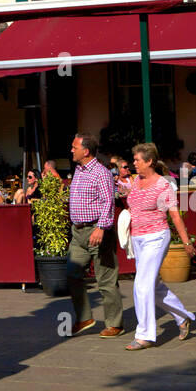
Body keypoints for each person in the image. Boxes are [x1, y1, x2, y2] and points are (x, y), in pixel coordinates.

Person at [125, 142, 196, 350]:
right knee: (153, 285)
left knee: (142, 285)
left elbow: (174, 215)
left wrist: (186, 242)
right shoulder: (136, 181)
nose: (134, 163)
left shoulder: (163, 185)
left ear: (149, 161)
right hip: (138, 238)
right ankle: (182, 317)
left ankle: (144, 335)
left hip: (156, 238)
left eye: (137, 160)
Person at [66, 133, 125, 337]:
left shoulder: (101, 173)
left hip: (97, 231)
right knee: (72, 274)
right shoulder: (79, 170)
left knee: (106, 280)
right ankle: (85, 318)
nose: (71, 150)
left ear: (86, 151)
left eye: (75, 147)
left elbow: (108, 202)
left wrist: (101, 227)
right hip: (78, 232)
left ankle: (114, 324)